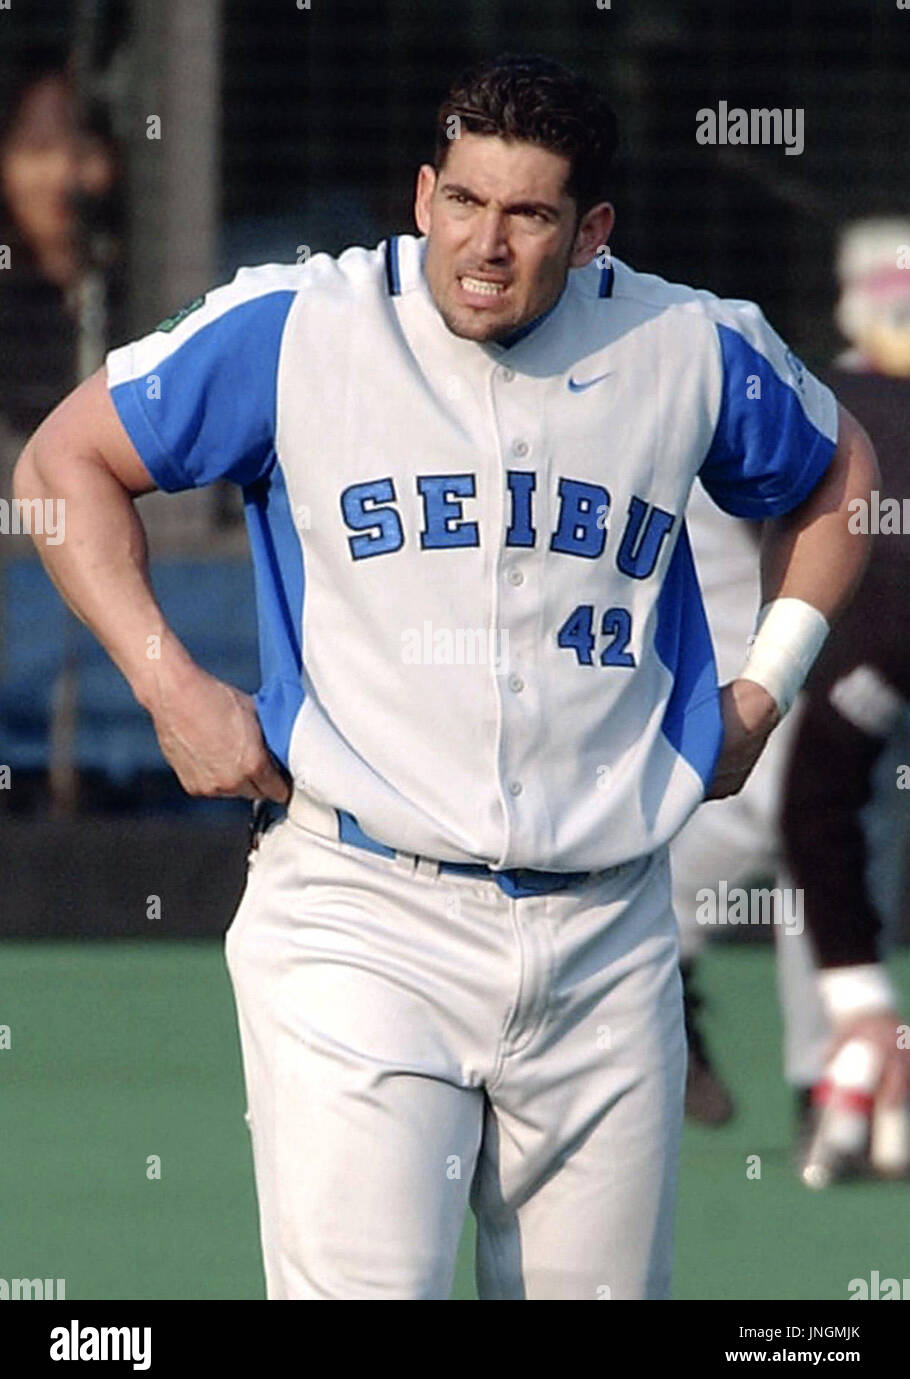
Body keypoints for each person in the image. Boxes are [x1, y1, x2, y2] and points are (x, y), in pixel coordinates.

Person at [14, 54, 877, 1299]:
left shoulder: (686, 344)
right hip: (363, 916)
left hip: (604, 933)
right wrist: (170, 685)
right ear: (422, 194)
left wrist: (768, 680)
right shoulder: (303, 325)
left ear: (591, 233)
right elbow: (61, 464)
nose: (486, 243)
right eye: (463, 201)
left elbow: (840, 479)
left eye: (528, 215)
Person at [673, 220, 910, 1167]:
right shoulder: (795, 398)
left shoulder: (815, 393)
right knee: (810, 834)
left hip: (791, 672)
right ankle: (830, 1084)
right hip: (766, 667)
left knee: (784, 836)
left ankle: (830, 1081)